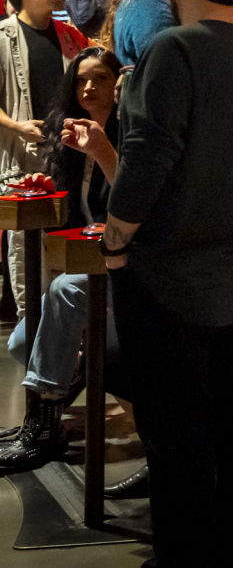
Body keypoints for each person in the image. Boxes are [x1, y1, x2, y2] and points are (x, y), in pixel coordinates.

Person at [101, 0, 233, 564]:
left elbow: (147, 156)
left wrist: (116, 239)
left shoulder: (174, 49)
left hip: (172, 280)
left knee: (176, 441)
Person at [0, 47, 121, 476]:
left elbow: (133, 200)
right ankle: (54, 403)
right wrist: (47, 186)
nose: (89, 87)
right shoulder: (70, 139)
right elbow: (75, 215)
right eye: (81, 79)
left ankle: (44, 427)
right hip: (90, 263)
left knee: (64, 290)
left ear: (118, 85)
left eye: (100, 78)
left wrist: (104, 151)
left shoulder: (129, 134)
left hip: (126, 268)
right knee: (20, 343)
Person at [0, 0, 90, 316]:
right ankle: (31, 328)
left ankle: (67, 331)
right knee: (25, 250)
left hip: (68, 156)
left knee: (68, 240)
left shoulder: (70, 36)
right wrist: (17, 126)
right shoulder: (4, 37)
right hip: (24, 159)